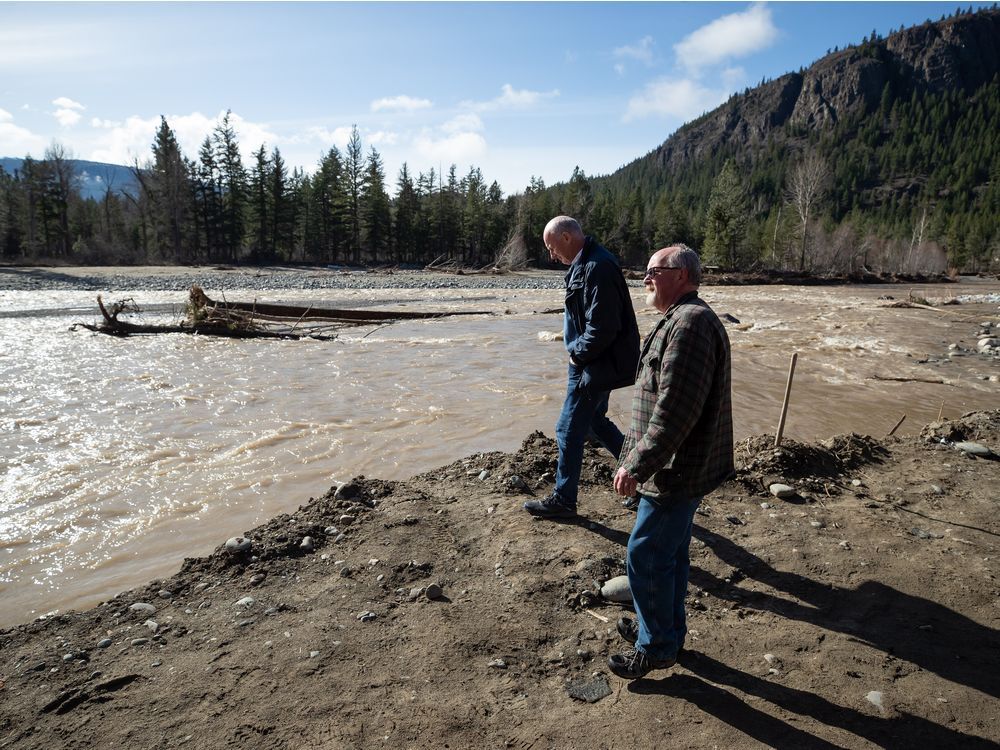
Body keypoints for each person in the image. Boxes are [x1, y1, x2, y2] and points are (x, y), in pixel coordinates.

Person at [608, 244, 734, 680]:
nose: (645, 279)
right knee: (670, 555)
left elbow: (675, 411)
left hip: (674, 470)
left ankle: (657, 647)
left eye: (653, 271)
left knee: (645, 555)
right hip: (675, 466)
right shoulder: (681, 317)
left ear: (681, 274)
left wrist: (636, 465)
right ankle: (663, 630)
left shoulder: (691, 324)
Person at [523, 216, 640, 519]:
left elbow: (604, 326)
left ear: (566, 237)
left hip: (592, 364)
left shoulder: (597, 266)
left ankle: (564, 500)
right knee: (595, 423)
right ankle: (640, 479)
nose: (551, 256)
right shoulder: (586, 263)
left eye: (551, 247)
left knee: (567, 429)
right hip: (592, 361)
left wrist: (577, 355)